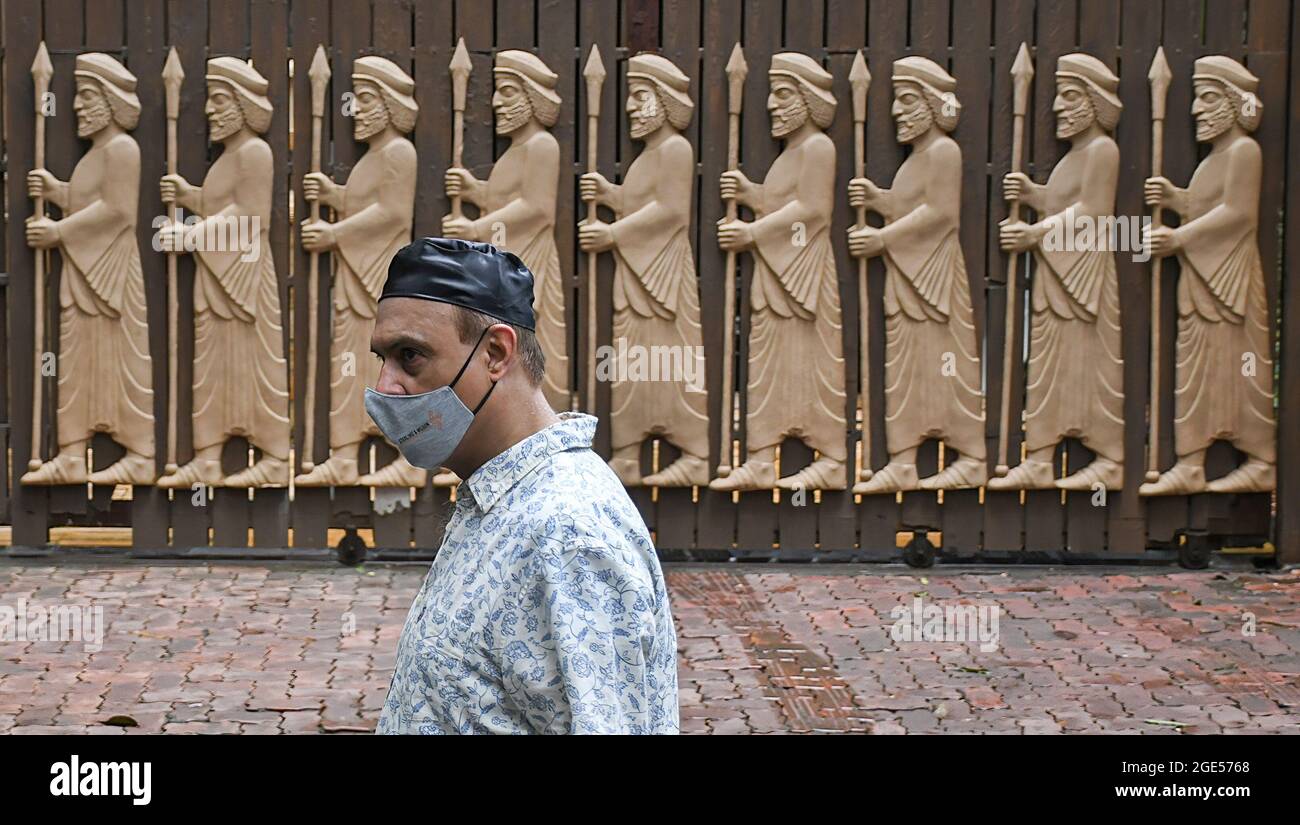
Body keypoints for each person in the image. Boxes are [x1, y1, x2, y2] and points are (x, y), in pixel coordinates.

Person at [370, 237, 679, 735]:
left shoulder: (566, 531)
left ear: (495, 352)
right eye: (382, 357)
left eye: (411, 356)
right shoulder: (499, 496)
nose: (385, 385)